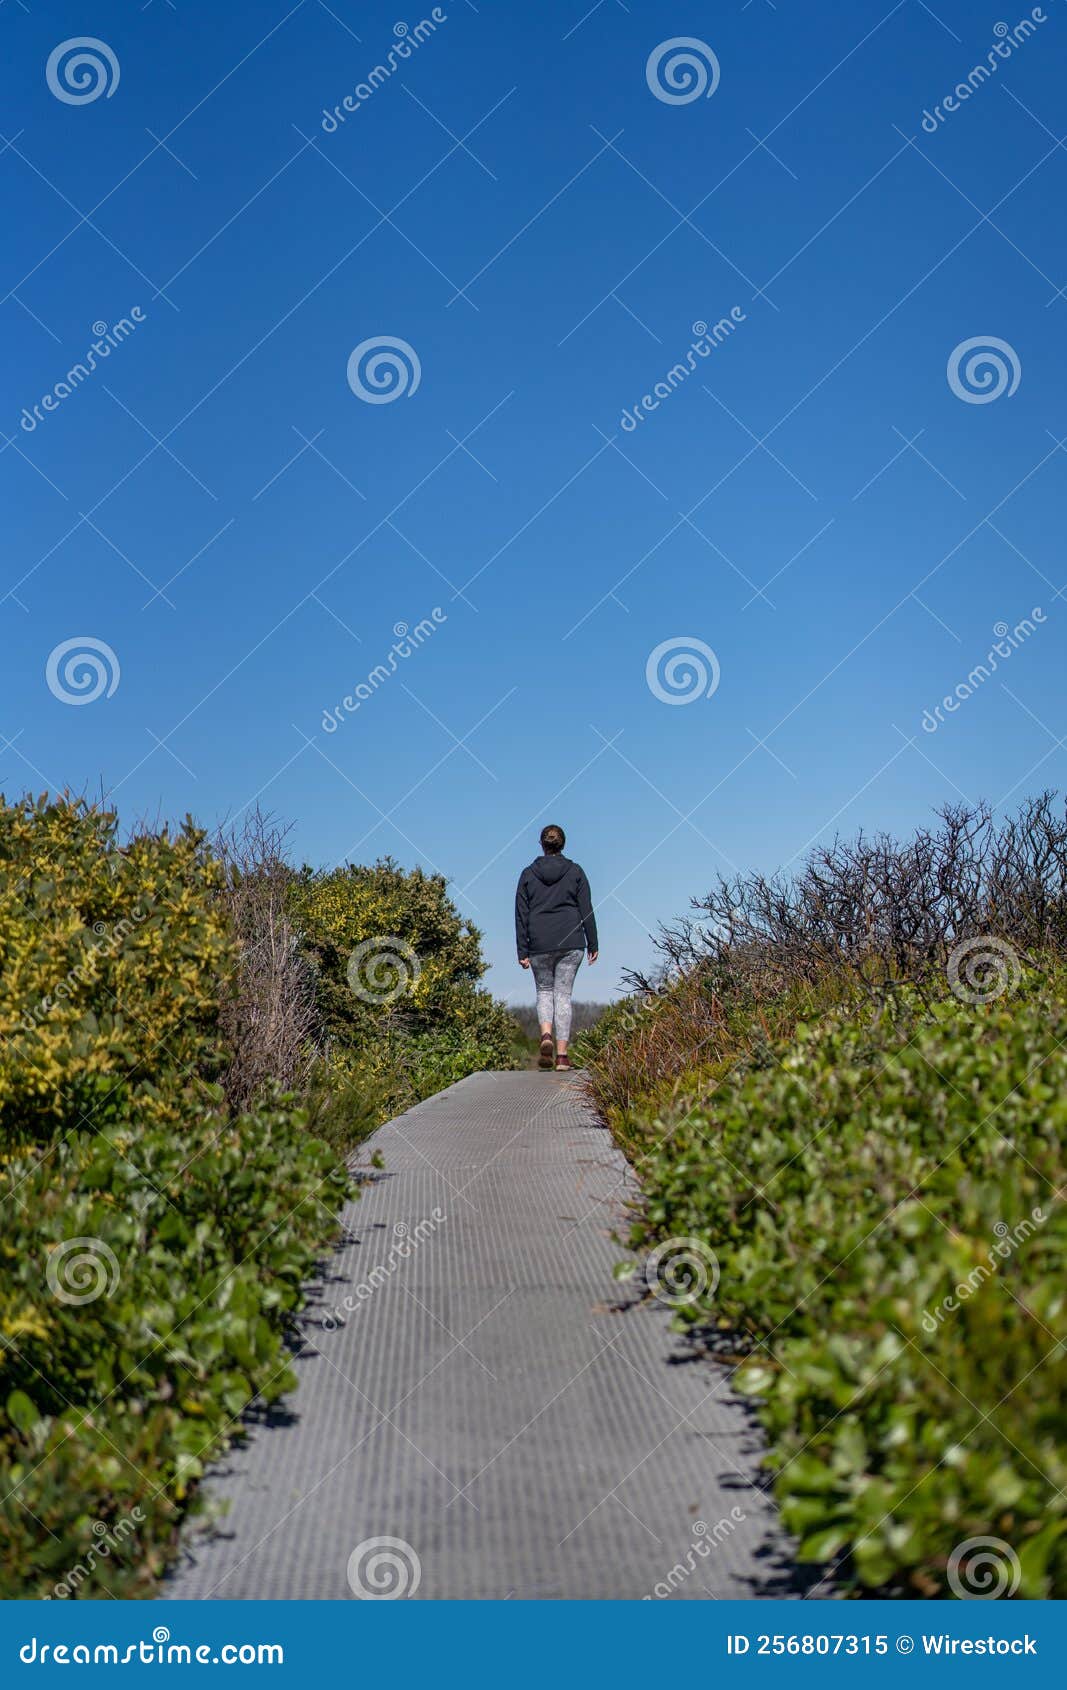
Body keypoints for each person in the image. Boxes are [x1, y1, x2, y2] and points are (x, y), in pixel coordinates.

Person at [515, 824, 598, 1072]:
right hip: (571, 940)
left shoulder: (528, 874)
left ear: (542, 844)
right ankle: (562, 1057)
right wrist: (593, 942)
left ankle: (546, 1035)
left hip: (538, 942)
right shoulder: (576, 871)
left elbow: (520, 914)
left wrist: (522, 950)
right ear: (563, 845)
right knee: (563, 995)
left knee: (544, 991)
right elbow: (586, 908)